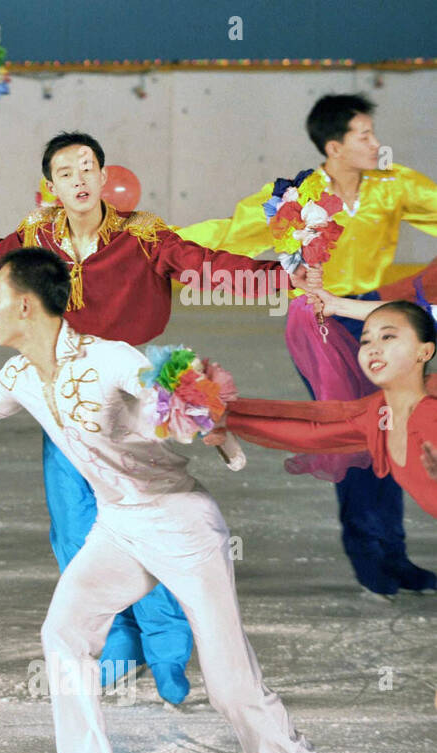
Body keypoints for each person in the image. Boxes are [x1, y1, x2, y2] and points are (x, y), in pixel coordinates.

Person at [0, 248, 332, 753]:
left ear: (27, 306)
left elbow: (154, 382)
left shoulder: (108, 359)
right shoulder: (21, 376)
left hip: (178, 523)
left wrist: (191, 403)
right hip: (118, 526)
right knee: (63, 634)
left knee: (228, 678)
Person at [0, 131, 317, 705]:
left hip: (131, 392)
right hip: (64, 391)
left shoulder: (143, 234)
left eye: (87, 166)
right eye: (66, 172)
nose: (80, 179)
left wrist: (281, 277)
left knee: (145, 518)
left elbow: (207, 266)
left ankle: (167, 645)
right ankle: (117, 638)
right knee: (73, 524)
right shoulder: (35, 237)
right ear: (52, 186)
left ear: (102, 173)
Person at [178, 94, 437, 598]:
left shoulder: (394, 184)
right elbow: (231, 233)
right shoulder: (297, 198)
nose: (375, 143)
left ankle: (394, 555)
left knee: (394, 425)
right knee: (357, 432)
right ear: (335, 146)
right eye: (364, 135)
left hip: (375, 311)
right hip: (320, 323)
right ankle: (373, 561)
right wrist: (153, 247)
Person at [218, 301, 437, 518]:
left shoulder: (429, 414)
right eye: (365, 341)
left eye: (388, 337)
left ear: (424, 351)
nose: (372, 349)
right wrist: (226, 417)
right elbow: (313, 434)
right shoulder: (380, 414)